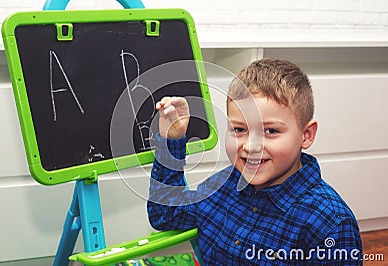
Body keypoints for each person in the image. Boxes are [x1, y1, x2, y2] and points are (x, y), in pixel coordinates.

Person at [147, 58, 362, 265]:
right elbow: (165, 215)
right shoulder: (222, 184)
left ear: (306, 135)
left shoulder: (330, 223)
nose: (250, 147)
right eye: (239, 129)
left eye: (271, 131)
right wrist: (171, 141)